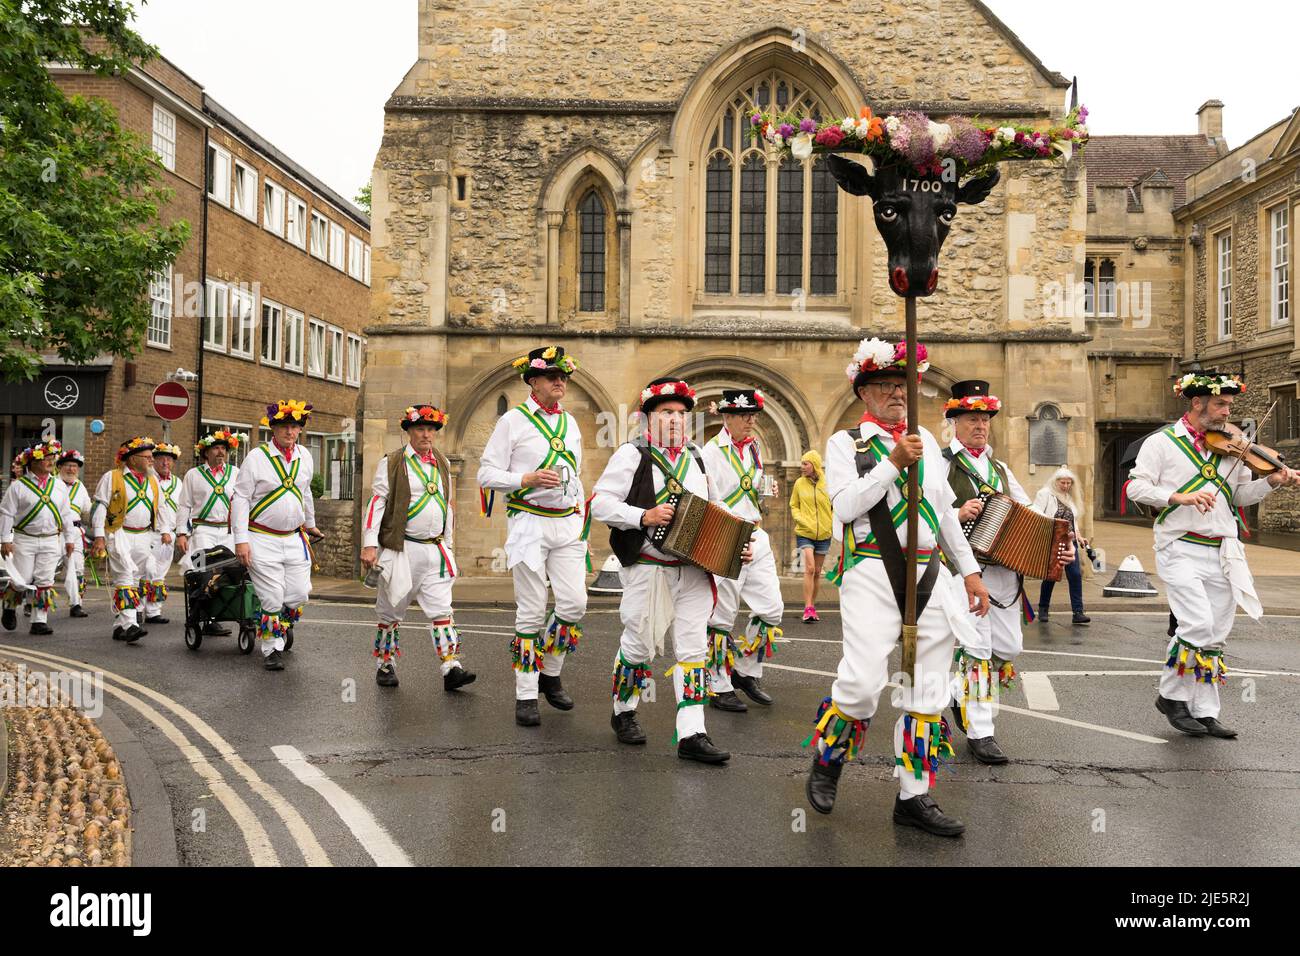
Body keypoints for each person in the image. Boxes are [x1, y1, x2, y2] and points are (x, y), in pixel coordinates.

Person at [803, 339, 989, 837]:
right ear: (864, 393)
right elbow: (843, 507)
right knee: (862, 683)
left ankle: (913, 796)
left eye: (903, 385)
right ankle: (828, 760)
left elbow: (945, 514)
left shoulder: (924, 439)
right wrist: (891, 465)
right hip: (871, 571)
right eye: (885, 386)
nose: (898, 394)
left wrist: (969, 571)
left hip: (930, 574)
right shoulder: (848, 444)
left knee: (927, 691)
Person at [1127, 370, 1299, 738]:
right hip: (1180, 546)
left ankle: (1205, 710)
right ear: (1196, 403)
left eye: (1229, 405)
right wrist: (1178, 497)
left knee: (1217, 634)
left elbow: (1238, 498)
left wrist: (1270, 481)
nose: (1227, 413)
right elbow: (1135, 487)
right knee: (1197, 625)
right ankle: (1171, 697)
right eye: (1221, 404)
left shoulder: (1229, 447)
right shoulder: (1162, 443)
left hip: (1223, 549)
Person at [592, 377, 750, 764]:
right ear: (648, 418)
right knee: (640, 645)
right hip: (650, 567)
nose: (676, 420)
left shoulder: (697, 457)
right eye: (666, 413)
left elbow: (713, 508)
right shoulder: (633, 455)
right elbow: (599, 504)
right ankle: (624, 710)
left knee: (694, 648)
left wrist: (734, 545)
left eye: (681, 414)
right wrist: (642, 515)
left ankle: (692, 732)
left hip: (694, 568)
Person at [941, 381, 1072, 764]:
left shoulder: (999, 468)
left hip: (1005, 573)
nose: (980, 425)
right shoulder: (942, 463)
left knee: (1009, 647)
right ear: (954, 422)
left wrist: (1056, 542)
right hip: (966, 571)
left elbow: (1029, 511)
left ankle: (955, 690)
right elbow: (926, 515)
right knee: (977, 649)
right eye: (971, 419)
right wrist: (957, 513)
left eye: (984, 419)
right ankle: (982, 731)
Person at [476, 346, 588, 727]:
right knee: (531, 607)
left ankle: (550, 672)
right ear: (532, 381)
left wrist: (580, 514)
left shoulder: (571, 423)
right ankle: (526, 693)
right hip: (528, 523)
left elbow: (577, 475)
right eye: (552, 376)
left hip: (567, 524)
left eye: (564, 376)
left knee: (574, 604)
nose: (560, 381)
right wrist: (524, 478)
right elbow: (486, 474)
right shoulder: (513, 421)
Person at [361, 403, 475, 691]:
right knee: (391, 610)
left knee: (442, 610)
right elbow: (377, 504)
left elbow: (447, 506)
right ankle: (385, 664)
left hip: (434, 551)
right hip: (402, 550)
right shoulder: (392, 462)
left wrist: (448, 546)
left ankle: (451, 667)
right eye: (420, 429)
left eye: (431, 429)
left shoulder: (443, 463)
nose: (426, 435)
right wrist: (369, 545)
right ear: (409, 432)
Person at [702, 389, 783, 713]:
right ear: (728, 417)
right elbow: (707, 498)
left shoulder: (754, 447)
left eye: (754, 415)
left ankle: (746, 671)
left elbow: (753, 485)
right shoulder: (710, 452)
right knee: (722, 615)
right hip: (727, 533)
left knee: (772, 610)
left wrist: (767, 487)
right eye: (745, 415)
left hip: (756, 532)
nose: (751, 421)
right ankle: (718, 685)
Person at [231, 401, 320, 671]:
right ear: (274, 428)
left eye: (294, 427)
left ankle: (278, 630)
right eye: (284, 426)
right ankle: (271, 649)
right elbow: (241, 498)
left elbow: (304, 493)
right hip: (261, 538)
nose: (290, 432)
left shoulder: (305, 455)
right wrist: (241, 540)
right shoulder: (257, 458)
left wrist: (310, 523)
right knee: (271, 596)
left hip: (294, 538)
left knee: (298, 593)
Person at [90, 437, 167, 643]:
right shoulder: (112, 477)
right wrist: (99, 536)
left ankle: (119, 626)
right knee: (125, 577)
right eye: (148, 457)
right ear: (132, 459)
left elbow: (162, 508)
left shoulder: (153, 481)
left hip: (144, 535)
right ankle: (132, 626)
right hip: (119, 533)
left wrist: (165, 531)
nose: (152, 460)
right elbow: (99, 508)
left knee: (135, 580)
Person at [1, 441, 77, 635]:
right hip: (24, 538)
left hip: (52, 539)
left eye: (52, 458)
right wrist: (5, 540)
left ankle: (39, 621)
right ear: (33, 462)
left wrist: (69, 539)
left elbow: (66, 514)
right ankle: (9, 607)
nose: (51, 461)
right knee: (21, 580)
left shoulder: (59, 485)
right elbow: (6, 513)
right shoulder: (18, 486)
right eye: (46, 458)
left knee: (45, 580)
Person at [176, 430, 243, 635]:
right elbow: (184, 506)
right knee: (203, 572)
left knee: (234, 572)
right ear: (205, 452)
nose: (220, 452)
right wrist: (181, 533)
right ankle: (205, 618)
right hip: (203, 530)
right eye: (216, 448)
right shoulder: (193, 475)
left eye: (223, 448)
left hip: (229, 531)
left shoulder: (236, 473)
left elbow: (243, 503)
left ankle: (232, 613)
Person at [1031, 468, 1089, 624]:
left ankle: (1078, 612)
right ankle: (1043, 608)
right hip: (1052, 540)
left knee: (1075, 574)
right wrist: (1054, 525)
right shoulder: (1045, 494)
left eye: (1069, 483)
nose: (1066, 486)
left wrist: (1079, 536)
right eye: (1063, 482)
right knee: (1052, 575)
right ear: (1055, 482)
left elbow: (1073, 521)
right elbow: (1036, 512)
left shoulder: (1069, 498)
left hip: (1070, 541)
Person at [790, 450, 833, 622]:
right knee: (809, 568)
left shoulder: (827, 484)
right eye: (802, 463)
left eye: (805, 464)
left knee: (816, 572)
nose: (802, 467)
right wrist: (801, 520)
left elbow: (834, 504)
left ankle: (812, 607)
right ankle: (807, 607)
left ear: (814, 465)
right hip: (804, 532)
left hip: (824, 533)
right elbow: (794, 505)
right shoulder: (799, 484)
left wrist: (830, 523)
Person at [143, 442, 182, 625]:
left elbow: (183, 509)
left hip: (170, 535)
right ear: (154, 461)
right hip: (150, 533)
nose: (166, 462)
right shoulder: (148, 479)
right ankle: (136, 609)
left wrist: (183, 532)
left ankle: (153, 612)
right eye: (161, 459)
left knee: (160, 574)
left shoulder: (178, 483)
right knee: (146, 571)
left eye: (169, 459)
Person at [56, 448, 92, 618]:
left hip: (76, 533)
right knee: (45, 571)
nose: (71, 469)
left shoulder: (80, 486)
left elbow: (86, 512)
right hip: (54, 533)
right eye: (68, 465)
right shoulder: (52, 484)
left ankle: (76, 604)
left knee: (77, 568)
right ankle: (31, 602)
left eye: (75, 466)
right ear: (59, 467)